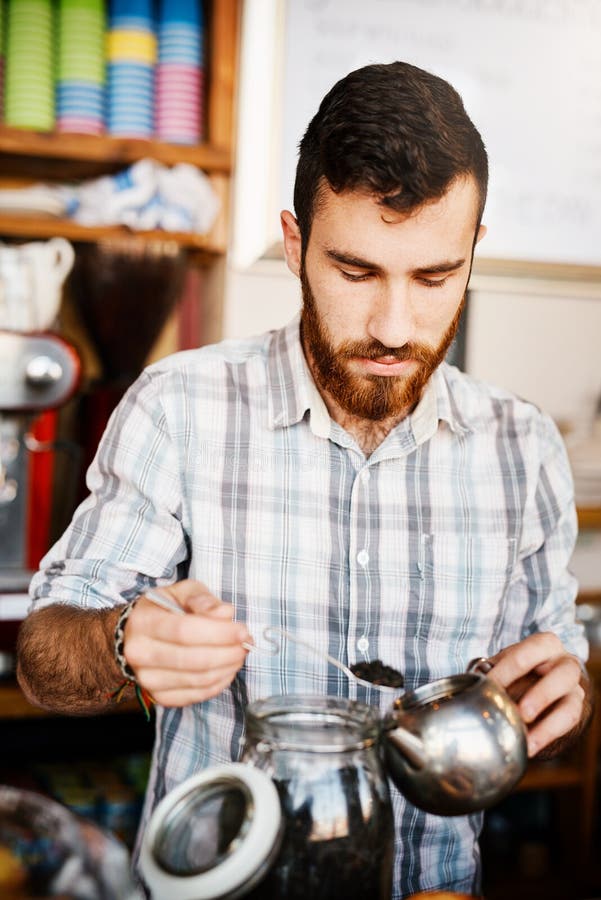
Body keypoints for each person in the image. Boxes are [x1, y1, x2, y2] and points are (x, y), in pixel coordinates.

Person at [17, 61, 591, 898]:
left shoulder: (522, 446)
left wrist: (558, 698)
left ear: (472, 255)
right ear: (295, 245)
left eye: (434, 277)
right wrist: (122, 643)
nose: (395, 326)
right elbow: (41, 657)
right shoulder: (182, 406)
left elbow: (550, 684)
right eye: (355, 272)